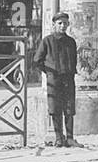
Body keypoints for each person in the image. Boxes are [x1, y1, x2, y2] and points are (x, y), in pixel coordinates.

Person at [33, 11, 79, 147]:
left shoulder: (71, 42)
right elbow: (37, 60)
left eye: (65, 23)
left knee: (69, 108)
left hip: (68, 78)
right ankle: (59, 138)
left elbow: (74, 59)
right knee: (55, 108)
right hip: (54, 80)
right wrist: (49, 72)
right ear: (54, 25)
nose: (63, 26)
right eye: (60, 23)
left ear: (68, 24)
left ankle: (70, 138)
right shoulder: (47, 41)